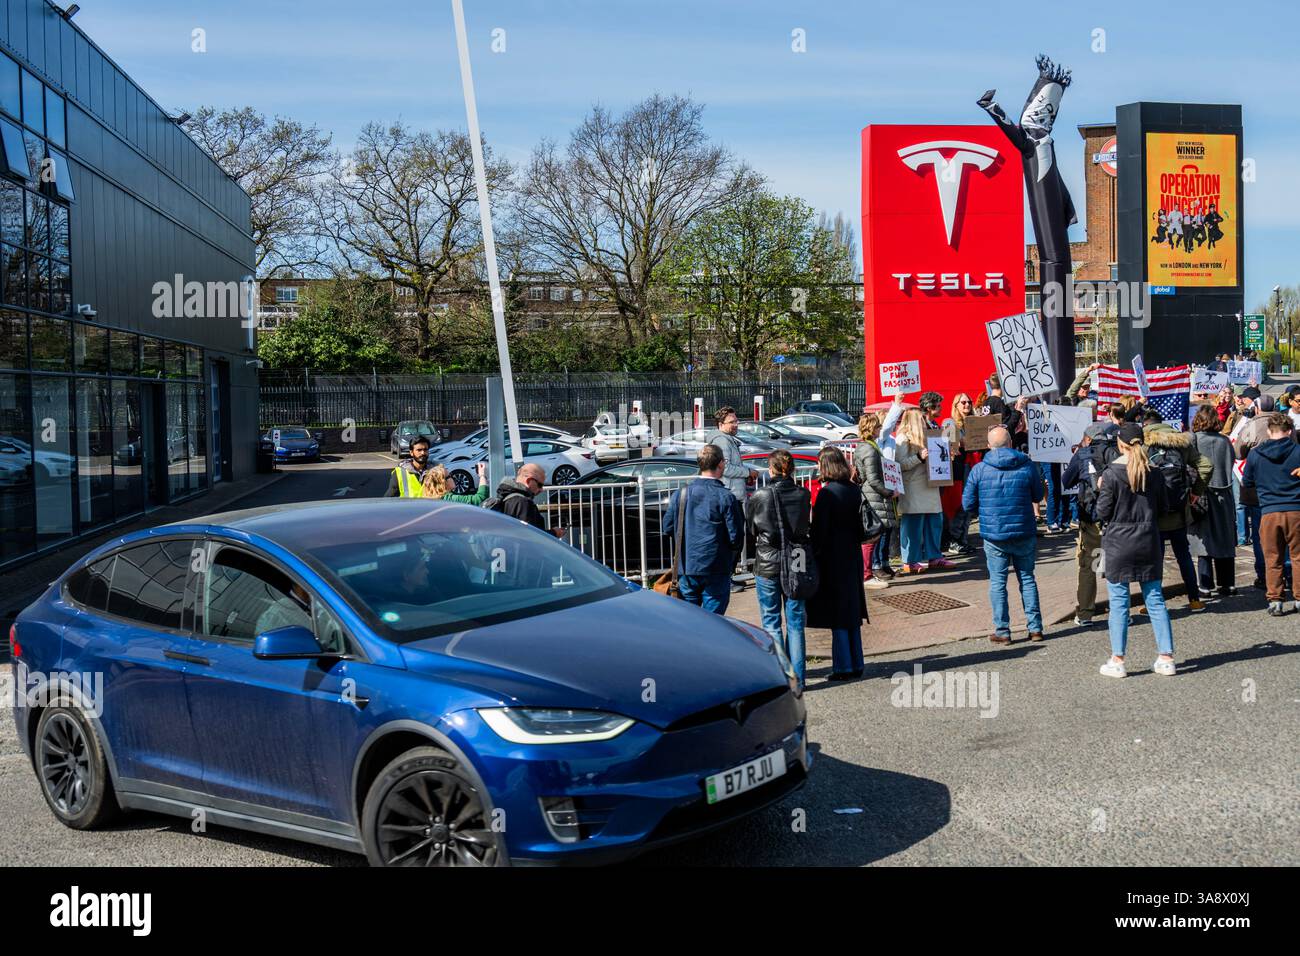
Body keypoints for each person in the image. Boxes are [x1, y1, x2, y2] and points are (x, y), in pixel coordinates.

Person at [1096, 423, 1176, 677]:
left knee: (1119, 602)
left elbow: (1102, 512)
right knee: (1154, 599)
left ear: (1119, 444)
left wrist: (1099, 489)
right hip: (1148, 539)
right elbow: (1164, 507)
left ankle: (1118, 660)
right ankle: (1166, 657)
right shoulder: (1154, 473)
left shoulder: (1110, 475)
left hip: (1119, 542)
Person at [962, 425, 1044, 644]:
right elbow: (1038, 495)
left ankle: (1003, 630)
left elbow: (967, 503)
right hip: (1024, 529)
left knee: (998, 582)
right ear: (1010, 443)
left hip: (994, 533)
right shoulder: (1026, 465)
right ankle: (1035, 628)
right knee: (1027, 578)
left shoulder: (979, 469)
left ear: (989, 446)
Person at [748, 450, 812, 686]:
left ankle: (782, 676)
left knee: (771, 620)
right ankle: (800, 677)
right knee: (795, 621)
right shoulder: (803, 494)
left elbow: (751, 529)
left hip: (768, 558)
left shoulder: (760, 495)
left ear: (771, 469)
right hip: (797, 556)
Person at [660, 444, 745, 614]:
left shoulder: (681, 493)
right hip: (716, 567)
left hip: (687, 566)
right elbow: (736, 537)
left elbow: (667, 527)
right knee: (713, 622)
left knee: (689, 621)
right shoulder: (726, 497)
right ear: (721, 464)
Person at [807, 446, 868, 679]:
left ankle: (843, 666)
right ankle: (856, 662)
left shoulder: (827, 494)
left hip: (833, 557)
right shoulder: (853, 489)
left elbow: (819, 532)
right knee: (852, 610)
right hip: (852, 553)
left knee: (838, 613)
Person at [1144, 409, 1212, 611]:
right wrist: (1196, 492)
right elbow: (1207, 466)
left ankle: (1155, 604)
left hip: (1153, 513)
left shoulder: (1143, 445)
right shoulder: (1181, 443)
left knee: (1156, 558)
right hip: (1180, 511)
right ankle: (1194, 599)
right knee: (1184, 556)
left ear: (1145, 425)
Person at [1241, 412, 1300, 616]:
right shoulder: (1298, 451)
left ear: (1268, 432)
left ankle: (1275, 599)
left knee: (1272, 556)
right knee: (1298, 556)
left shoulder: (1256, 454)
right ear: (1290, 431)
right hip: (1296, 509)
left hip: (1269, 510)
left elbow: (1246, 482)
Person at [1063, 427, 1115, 626]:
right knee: (1114, 563)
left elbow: (1066, 481)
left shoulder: (1083, 454)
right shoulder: (1117, 452)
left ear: (1088, 439)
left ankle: (1085, 613)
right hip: (1116, 517)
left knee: (1088, 564)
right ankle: (1120, 613)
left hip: (1091, 517)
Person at [854, 393, 907, 582]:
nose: (879, 428)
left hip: (877, 494)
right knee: (878, 532)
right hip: (876, 495)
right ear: (871, 428)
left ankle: (882, 563)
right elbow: (873, 478)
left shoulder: (869, 447)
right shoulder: (869, 449)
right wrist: (888, 492)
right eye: (877, 426)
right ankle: (875, 566)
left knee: (885, 530)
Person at [706, 405, 757, 592]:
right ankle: (724, 580)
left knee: (734, 539)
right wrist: (747, 472)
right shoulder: (722, 441)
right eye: (732, 422)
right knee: (733, 540)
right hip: (730, 495)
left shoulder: (726, 439)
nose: (736, 424)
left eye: (737, 421)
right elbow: (725, 467)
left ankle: (727, 578)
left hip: (731, 494)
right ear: (721, 424)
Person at [1189, 404, 1237, 599]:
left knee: (1204, 541)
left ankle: (1205, 585)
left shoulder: (1194, 440)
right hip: (1224, 494)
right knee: (1225, 539)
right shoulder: (1225, 441)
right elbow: (1232, 461)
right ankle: (1228, 583)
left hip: (1201, 494)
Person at [895, 408, 951, 572]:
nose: (924, 420)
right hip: (914, 486)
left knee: (935, 521)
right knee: (913, 524)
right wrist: (919, 457)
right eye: (920, 418)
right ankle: (909, 561)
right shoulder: (903, 438)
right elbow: (900, 464)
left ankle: (934, 556)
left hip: (930, 484)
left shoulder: (928, 435)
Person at [940, 393, 977, 554]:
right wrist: (962, 441)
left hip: (973, 467)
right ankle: (954, 540)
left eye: (969, 402)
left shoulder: (975, 423)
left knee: (969, 506)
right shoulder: (950, 423)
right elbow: (947, 442)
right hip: (958, 470)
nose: (967, 405)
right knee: (958, 506)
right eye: (963, 402)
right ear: (956, 405)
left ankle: (962, 539)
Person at [487, 462, 565, 537]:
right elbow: (530, 536)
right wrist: (554, 533)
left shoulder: (506, 497)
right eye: (540, 485)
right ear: (529, 481)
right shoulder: (523, 502)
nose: (541, 489)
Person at [422, 461, 490, 505]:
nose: (453, 477)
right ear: (443, 482)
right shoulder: (448, 499)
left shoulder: (430, 500)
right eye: (450, 476)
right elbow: (480, 499)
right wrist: (482, 476)